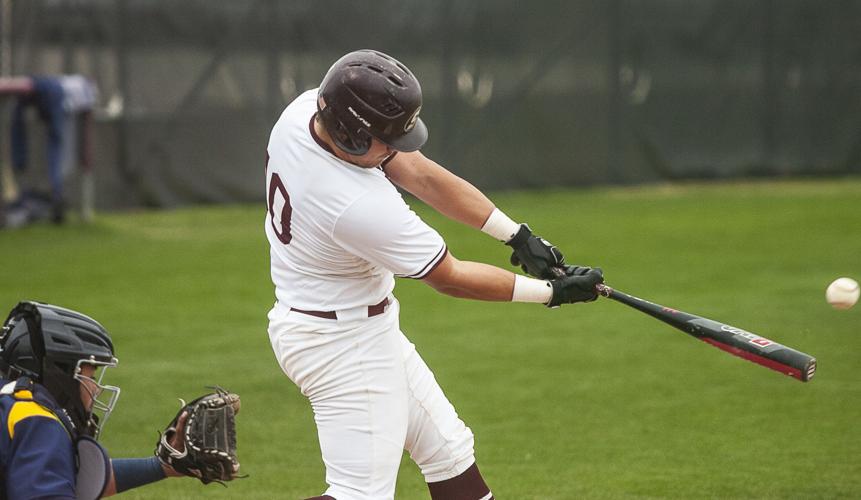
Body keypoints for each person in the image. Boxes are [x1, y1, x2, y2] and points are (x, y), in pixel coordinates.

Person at [264, 49, 604, 500]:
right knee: (358, 495)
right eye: (386, 140)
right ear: (352, 135)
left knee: (450, 453)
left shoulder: (306, 112)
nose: (397, 150)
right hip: (340, 344)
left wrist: (517, 235)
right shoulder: (357, 205)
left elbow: (420, 175)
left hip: (350, 323)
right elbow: (450, 276)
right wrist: (550, 292)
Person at [0, 300, 190, 498]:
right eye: (89, 378)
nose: (96, 389)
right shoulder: (36, 420)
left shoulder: (12, 406)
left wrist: (161, 467)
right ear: (60, 374)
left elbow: (70, 479)